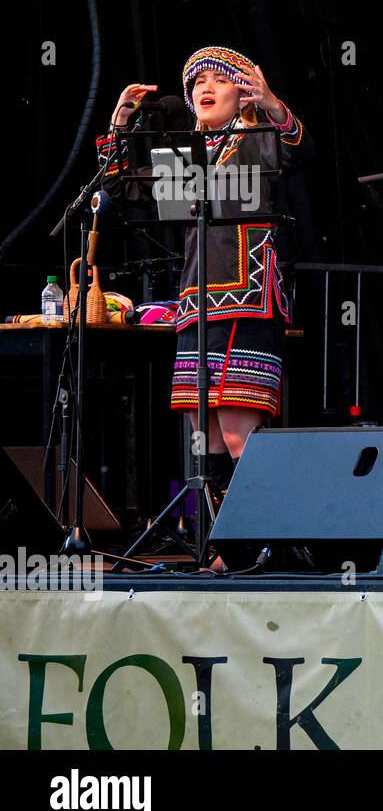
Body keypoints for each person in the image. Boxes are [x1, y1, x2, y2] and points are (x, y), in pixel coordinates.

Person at [97, 46, 311, 493]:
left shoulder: (259, 145)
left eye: (218, 79)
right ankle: (216, 545)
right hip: (197, 302)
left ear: (245, 94)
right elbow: (122, 190)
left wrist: (272, 106)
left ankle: (264, 537)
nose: (205, 88)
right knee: (205, 437)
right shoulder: (184, 157)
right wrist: (120, 125)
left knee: (237, 430)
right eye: (197, 82)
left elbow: (299, 149)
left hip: (248, 300)